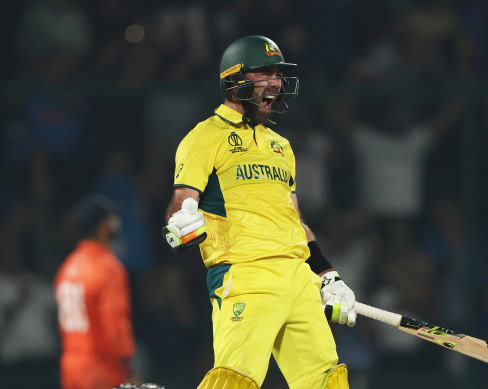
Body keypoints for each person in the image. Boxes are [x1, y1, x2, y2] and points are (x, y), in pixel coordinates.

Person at [161, 35, 356, 389]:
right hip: (245, 275)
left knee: (327, 382)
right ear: (235, 80)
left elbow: (295, 220)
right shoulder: (205, 135)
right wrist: (181, 220)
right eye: (265, 73)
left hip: (299, 279)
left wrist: (328, 274)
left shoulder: (281, 145)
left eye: (278, 74)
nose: (276, 83)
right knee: (234, 382)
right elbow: (182, 200)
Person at [54, 194, 138, 389]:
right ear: (103, 225)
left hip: (71, 365)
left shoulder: (67, 266)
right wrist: (129, 368)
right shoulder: (107, 267)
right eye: (111, 218)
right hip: (101, 368)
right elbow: (115, 326)